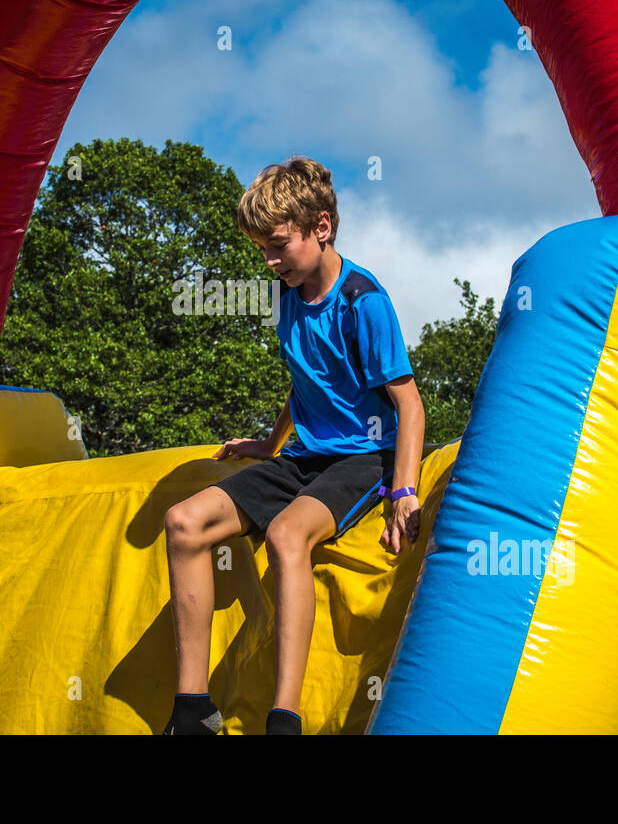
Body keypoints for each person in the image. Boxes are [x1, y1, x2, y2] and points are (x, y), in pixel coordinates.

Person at [160, 156, 426, 735]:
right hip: (302, 455)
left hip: (362, 457)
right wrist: (269, 441)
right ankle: (191, 710)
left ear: (321, 227)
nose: (270, 261)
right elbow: (306, 380)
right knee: (183, 522)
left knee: (286, 534)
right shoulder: (286, 296)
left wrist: (404, 489)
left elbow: (409, 403)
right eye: (262, 251)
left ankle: (285, 716)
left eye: (278, 246)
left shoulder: (363, 300)